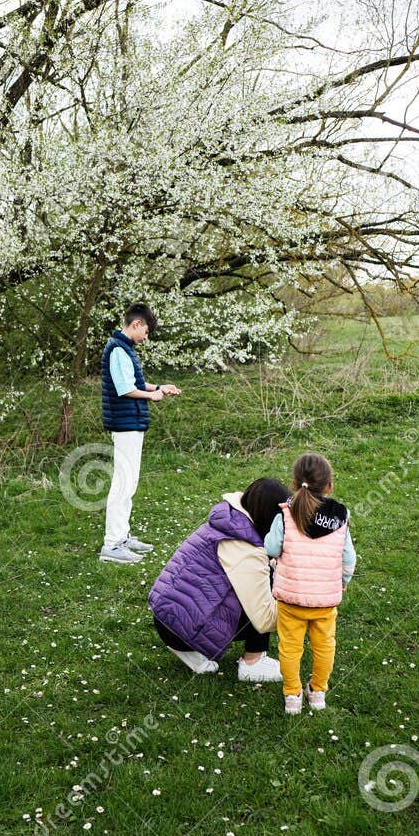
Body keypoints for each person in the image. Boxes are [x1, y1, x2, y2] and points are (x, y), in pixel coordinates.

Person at [148, 478, 288, 682]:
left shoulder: (230, 521)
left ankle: (188, 648)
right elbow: (264, 618)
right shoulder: (246, 549)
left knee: (266, 574)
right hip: (180, 626)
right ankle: (253, 662)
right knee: (272, 583)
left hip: (166, 617)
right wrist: (299, 608)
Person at [265, 452, 355, 714]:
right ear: (329, 485)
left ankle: (292, 695)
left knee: (290, 648)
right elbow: (349, 557)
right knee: (325, 646)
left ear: (294, 484)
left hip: (290, 598)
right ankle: (318, 693)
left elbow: (271, 547)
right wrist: (343, 582)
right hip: (325, 601)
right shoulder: (341, 516)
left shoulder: (285, 513)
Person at [99, 303, 181, 564]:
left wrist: (159, 386)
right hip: (125, 425)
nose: (146, 336)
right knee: (123, 482)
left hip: (131, 423)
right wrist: (152, 396)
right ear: (136, 325)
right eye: (146, 330)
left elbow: (133, 382)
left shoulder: (124, 349)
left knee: (129, 481)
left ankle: (122, 536)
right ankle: (112, 545)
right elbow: (125, 389)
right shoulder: (117, 351)